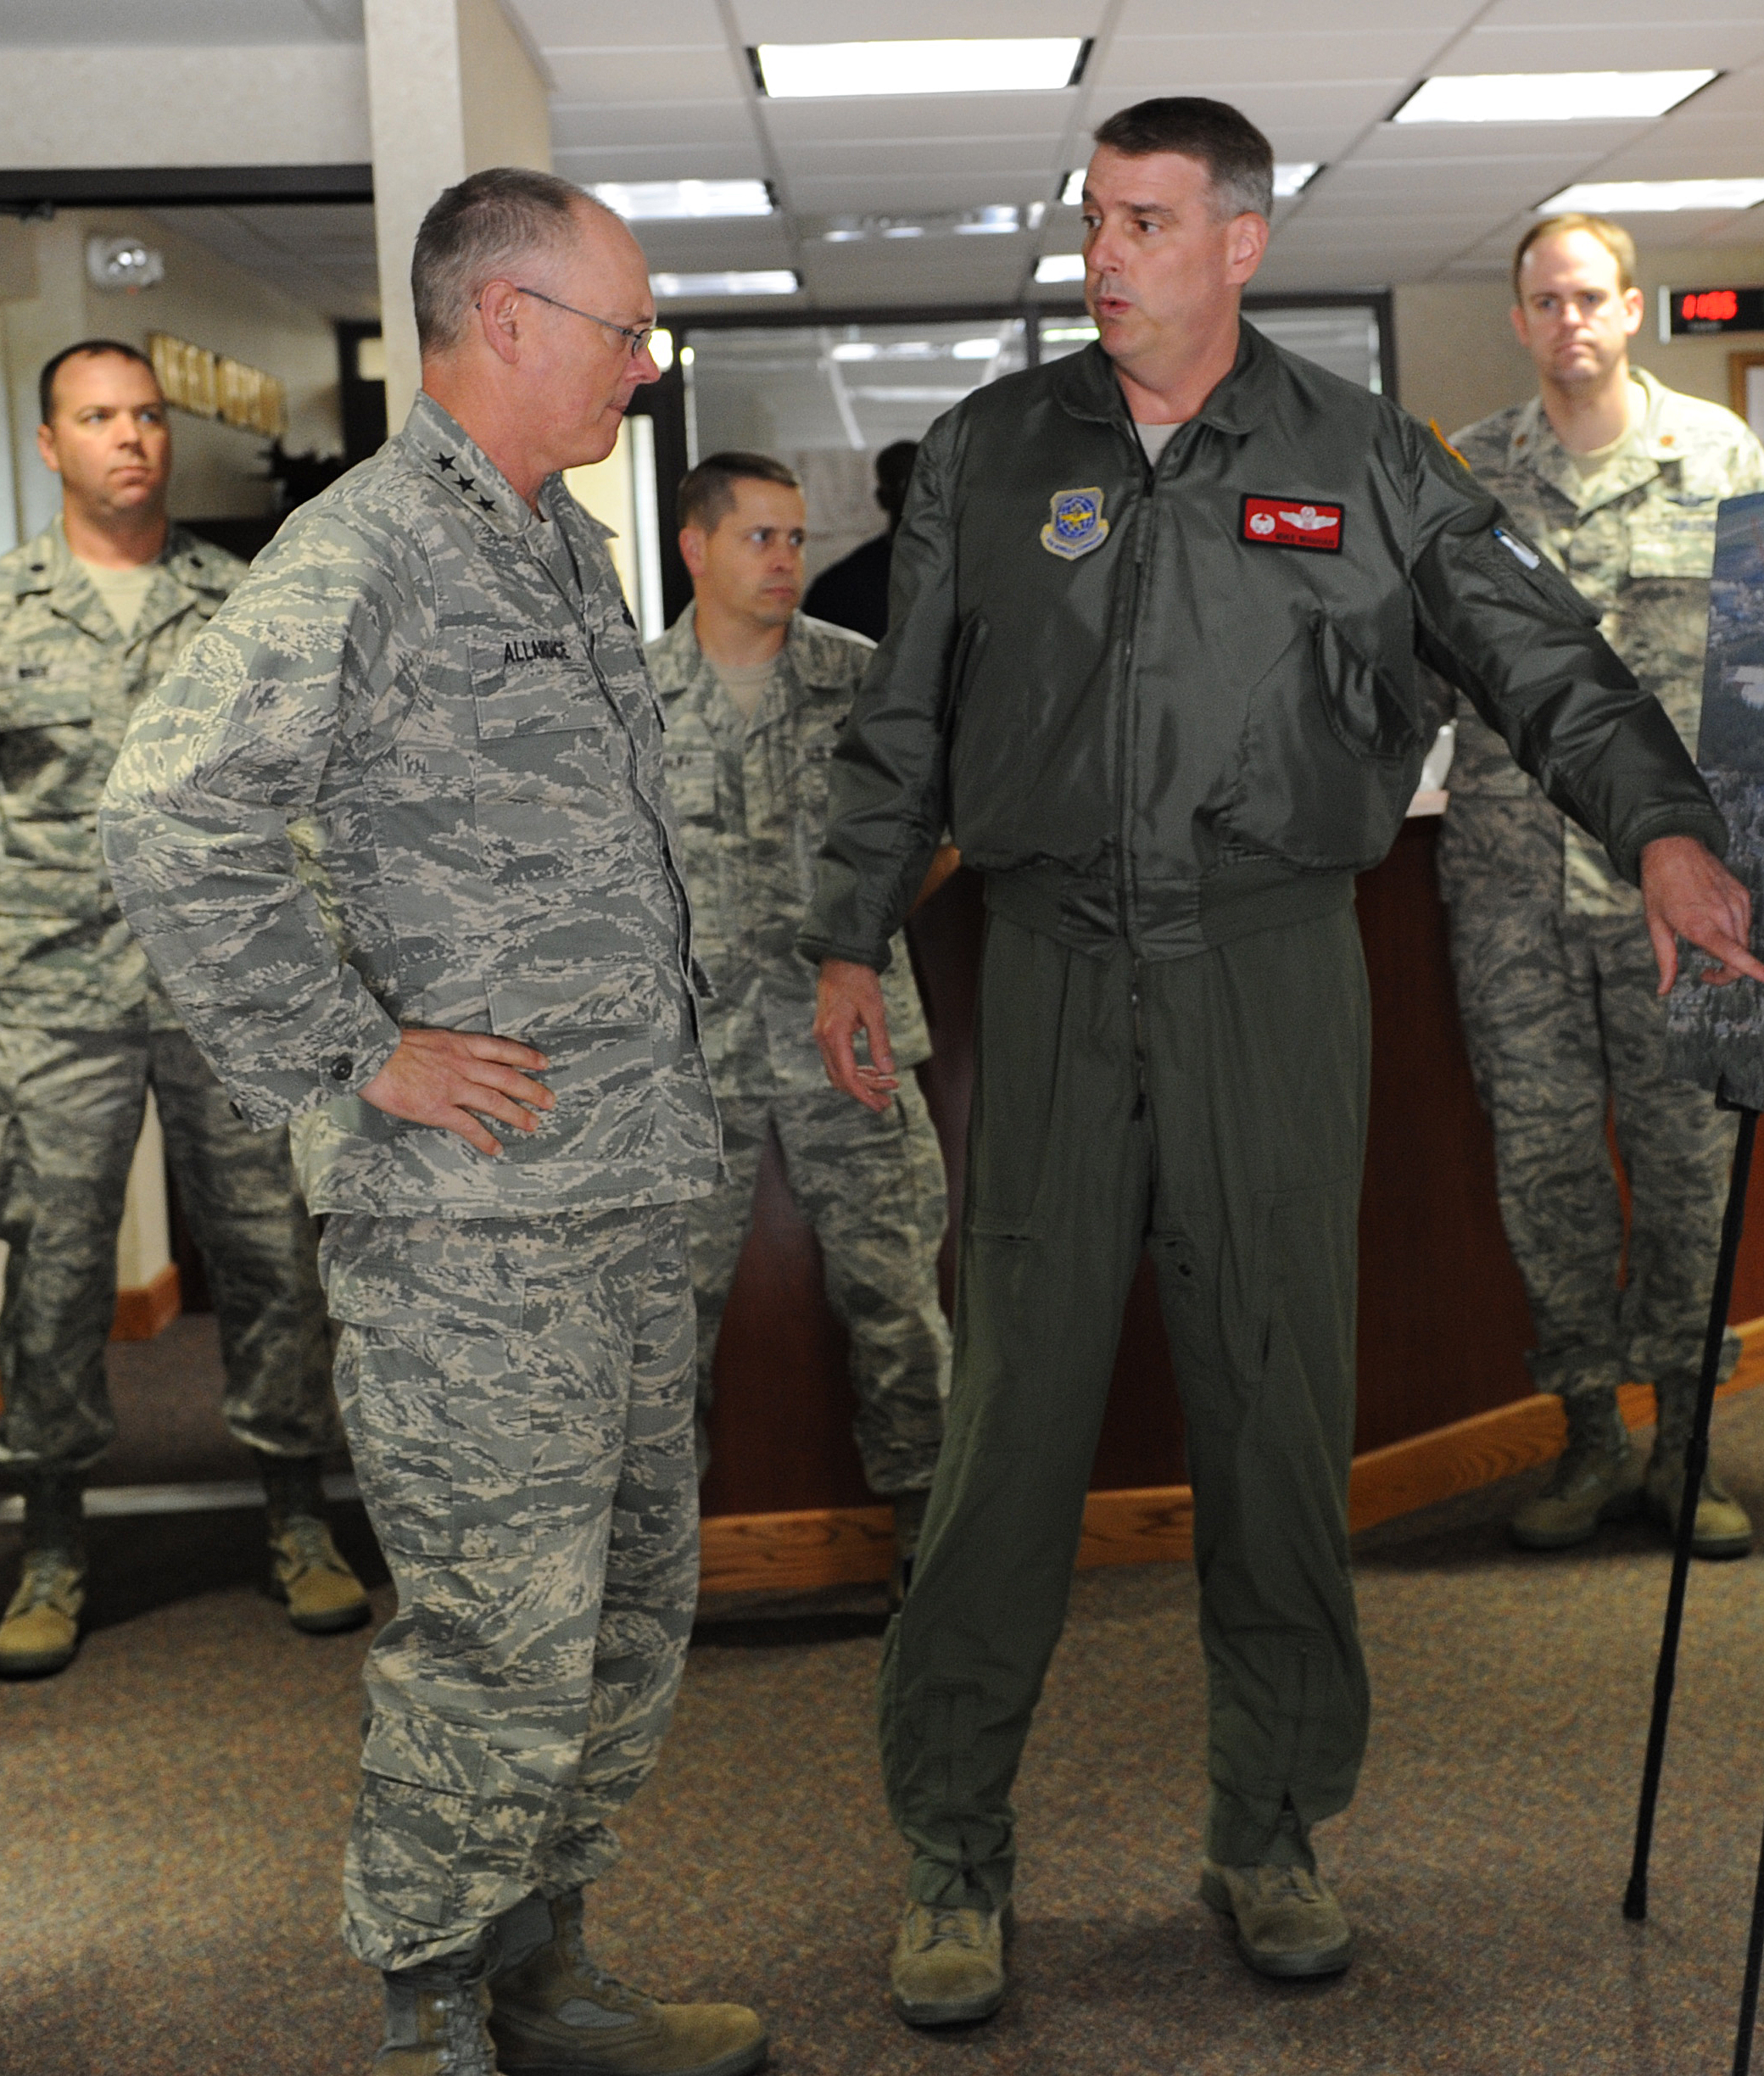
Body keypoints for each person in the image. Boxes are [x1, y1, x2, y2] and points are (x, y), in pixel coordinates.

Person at [802, 97, 1764, 2025]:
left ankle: (1269, 1825)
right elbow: (899, 719)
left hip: (1270, 967)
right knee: (1010, 1421)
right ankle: (954, 1846)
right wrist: (848, 927)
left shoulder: (1360, 458)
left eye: (1148, 221)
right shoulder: (996, 453)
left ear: (1240, 241)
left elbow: (1543, 652)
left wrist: (1663, 820)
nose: (1107, 254)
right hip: (1060, 967)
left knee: (1272, 1402)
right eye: (1096, 220)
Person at [101, 168, 765, 2076]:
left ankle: (545, 1973)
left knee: (628, 1613)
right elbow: (166, 814)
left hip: (625, 1193)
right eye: (624, 330)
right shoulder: (365, 549)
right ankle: (429, 2015)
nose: (645, 368)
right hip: (471, 1228)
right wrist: (346, 1048)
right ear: (503, 321)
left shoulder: (562, 545)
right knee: (495, 1640)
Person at [0, 339, 360, 1680]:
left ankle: (295, 1512)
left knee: (270, 1253)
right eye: (97, 419)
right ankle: (49, 1535)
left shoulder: (236, 606)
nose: (130, 439)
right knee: (53, 1266)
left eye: (145, 416)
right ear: (50, 447)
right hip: (51, 996)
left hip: (225, 989)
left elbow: (300, 795)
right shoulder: (8, 610)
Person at [1442, 215, 1764, 1560]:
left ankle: (1686, 1450)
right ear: (1519, 321)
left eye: (1589, 296)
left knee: (1690, 1167)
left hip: (1679, 898)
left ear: (1632, 310)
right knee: (1544, 1169)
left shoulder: (1720, 460)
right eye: (1544, 300)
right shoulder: (1464, 477)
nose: (1568, 320)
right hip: (1511, 891)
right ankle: (1590, 1438)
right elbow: (1410, 676)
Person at [649, 449, 952, 1576]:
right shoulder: (629, 698)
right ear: (696, 547)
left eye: (795, 538)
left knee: (897, 1300)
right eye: (758, 538)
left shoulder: (865, 680)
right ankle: (658, 1571)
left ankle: (932, 1544)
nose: (785, 559)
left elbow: (944, 829)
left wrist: (856, 929)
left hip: (852, 1045)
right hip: (693, 1062)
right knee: (664, 1324)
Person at [798, 438, 918, 641]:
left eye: (931, 484)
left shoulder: (976, 575)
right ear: (883, 497)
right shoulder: (839, 589)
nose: (922, 496)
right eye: (908, 484)